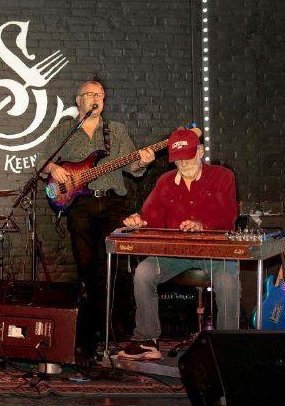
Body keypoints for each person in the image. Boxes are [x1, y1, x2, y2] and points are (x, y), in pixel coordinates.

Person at [41, 79, 155, 342]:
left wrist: (143, 162)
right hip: (81, 205)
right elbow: (42, 163)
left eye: (101, 95)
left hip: (113, 204)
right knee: (86, 266)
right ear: (78, 101)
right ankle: (90, 329)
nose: (96, 99)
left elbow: (133, 168)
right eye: (91, 94)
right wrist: (54, 169)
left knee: (113, 266)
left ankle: (115, 329)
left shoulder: (115, 131)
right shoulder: (64, 130)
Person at [118, 128, 238, 360]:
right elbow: (151, 218)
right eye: (178, 160)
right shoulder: (164, 182)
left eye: (189, 157)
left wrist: (201, 224)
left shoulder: (223, 176)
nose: (184, 164)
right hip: (176, 253)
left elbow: (228, 217)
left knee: (227, 280)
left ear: (201, 151)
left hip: (214, 252)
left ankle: (226, 346)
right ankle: (147, 340)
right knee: (144, 272)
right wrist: (139, 221)